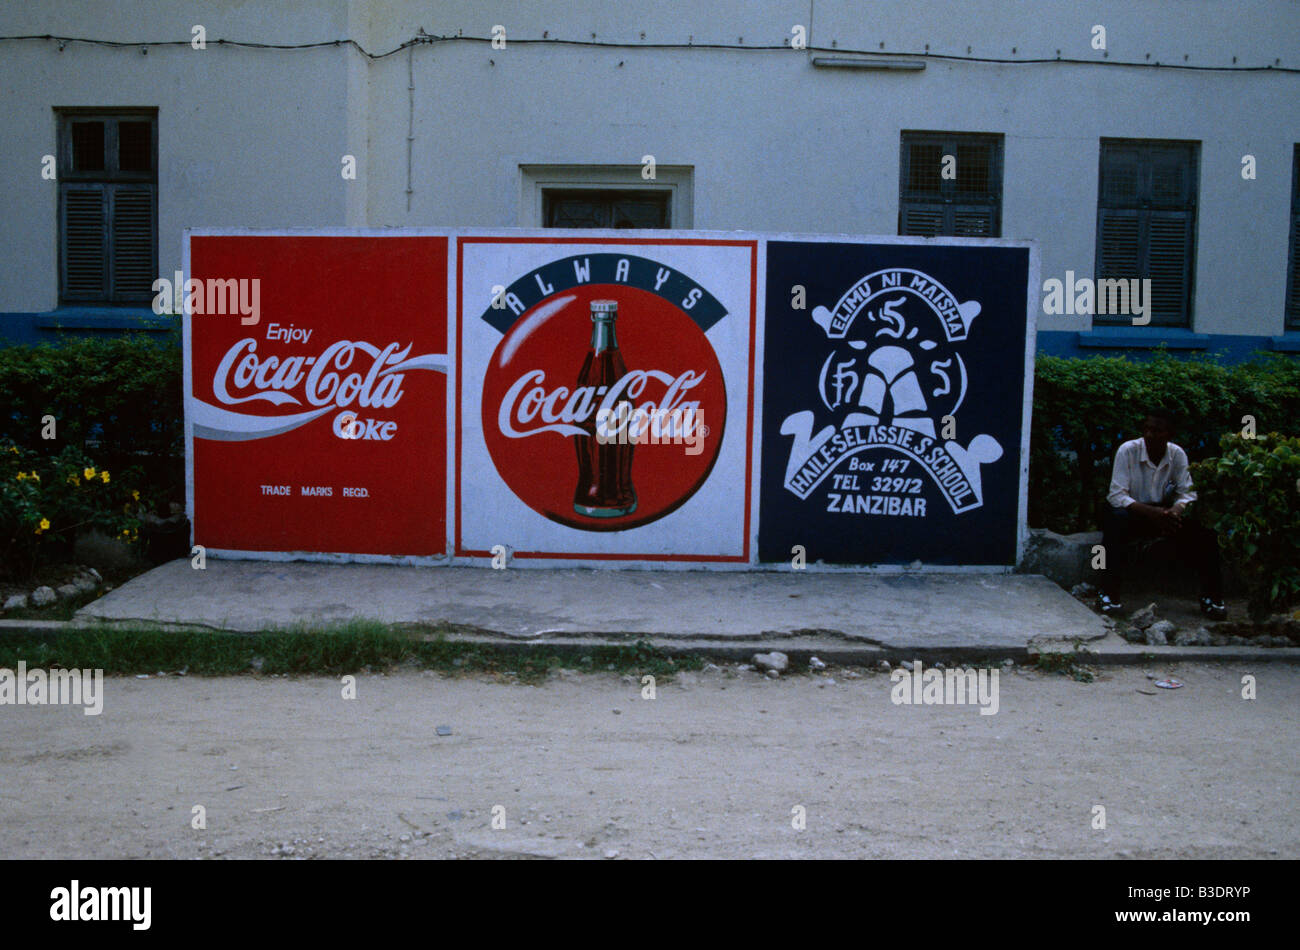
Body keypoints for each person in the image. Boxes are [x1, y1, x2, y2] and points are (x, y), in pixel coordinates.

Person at [1097, 408, 1226, 620]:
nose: (1150, 434)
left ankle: (1212, 598)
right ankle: (1107, 594)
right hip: (1133, 512)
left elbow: (1188, 492)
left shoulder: (1177, 454)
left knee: (1207, 531)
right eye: (1147, 429)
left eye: (1157, 431)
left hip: (1164, 515)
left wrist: (1174, 511)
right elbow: (1116, 495)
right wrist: (1152, 512)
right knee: (1114, 523)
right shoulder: (1127, 451)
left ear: (1169, 435)